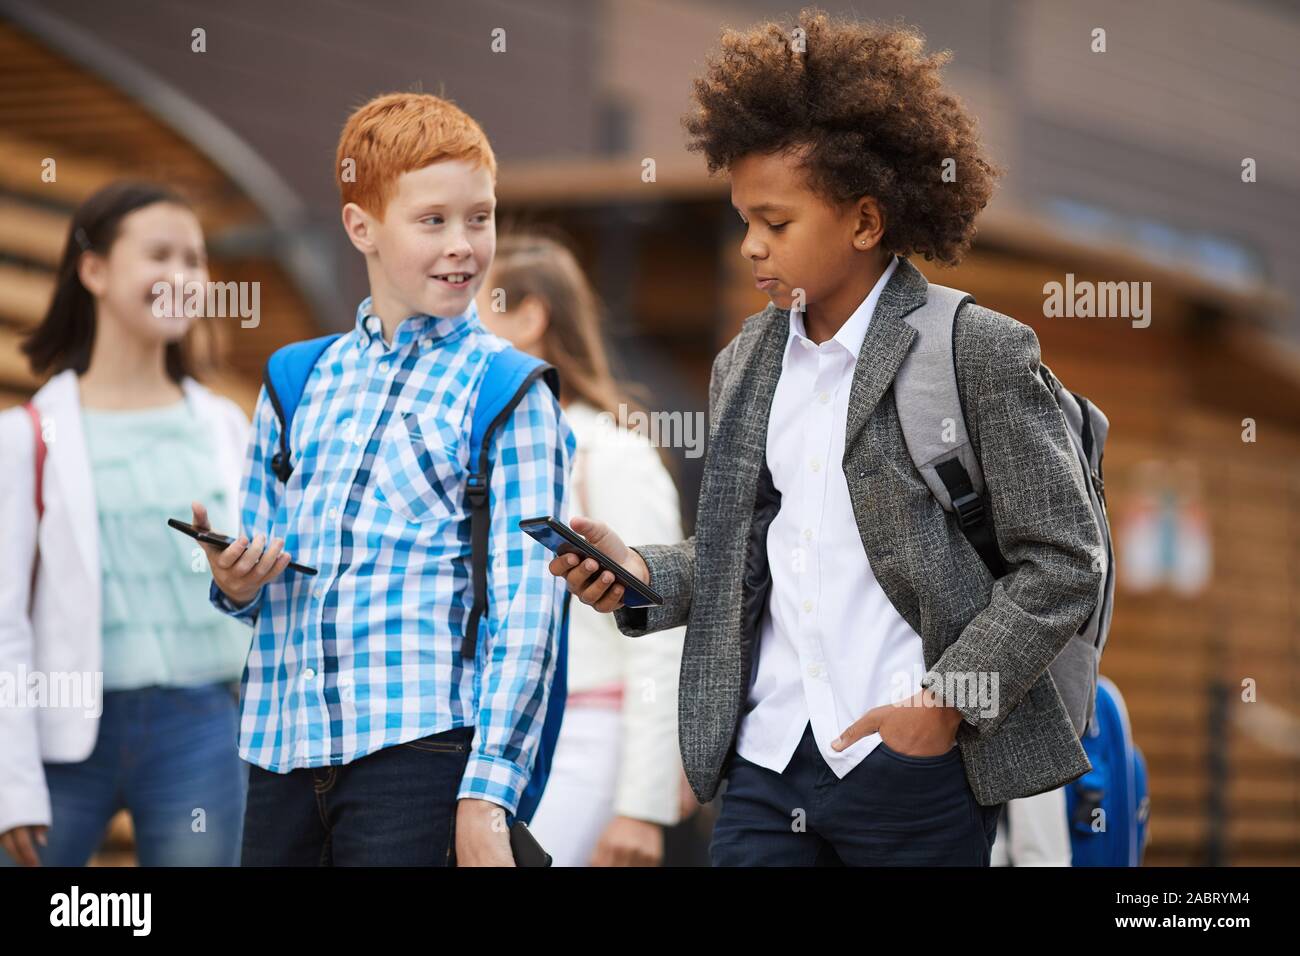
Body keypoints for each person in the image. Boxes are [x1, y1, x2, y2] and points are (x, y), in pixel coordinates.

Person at [549, 10, 1105, 866]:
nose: (749, 246)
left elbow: (1066, 562)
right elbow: (752, 553)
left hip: (913, 769)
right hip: (766, 766)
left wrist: (944, 704)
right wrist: (641, 572)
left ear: (865, 222)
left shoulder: (977, 351)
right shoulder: (745, 363)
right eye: (743, 220)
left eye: (775, 222)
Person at [195, 92, 575, 866]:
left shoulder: (508, 392)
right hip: (279, 750)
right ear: (361, 227)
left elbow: (528, 617)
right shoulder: (296, 379)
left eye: (480, 217)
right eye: (432, 220)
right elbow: (264, 582)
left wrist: (489, 793)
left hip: (421, 756)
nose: (464, 244)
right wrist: (237, 584)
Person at [0, 181, 251, 867]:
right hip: (62, 738)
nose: (182, 277)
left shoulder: (228, 426)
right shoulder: (27, 436)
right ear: (94, 270)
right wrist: (11, 783)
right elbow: (4, 624)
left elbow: (253, 591)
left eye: (195, 260)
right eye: (160, 255)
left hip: (203, 728)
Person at [475, 232, 687, 866]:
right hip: (500, 739)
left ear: (531, 316)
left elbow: (661, 629)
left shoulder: (611, 452)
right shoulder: (483, 453)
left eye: (477, 313)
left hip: (588, 737)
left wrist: (639, 808)